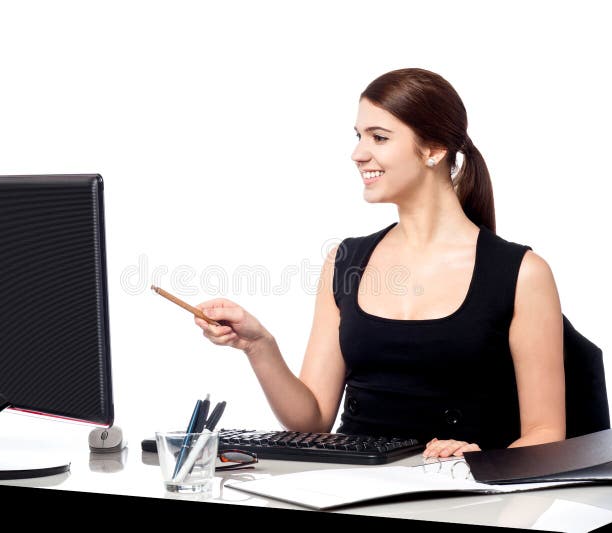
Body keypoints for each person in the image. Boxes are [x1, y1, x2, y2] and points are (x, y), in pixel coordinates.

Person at [193, 68, 565, 459]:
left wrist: (481, 458)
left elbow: (546, 433)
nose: (358, 153)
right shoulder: (345, 260)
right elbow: (312, 422)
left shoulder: (522, 272)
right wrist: (259, 346)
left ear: (434, 149)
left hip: (461, 496)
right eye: (359, 136)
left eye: (379, 137)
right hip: (353, 486)